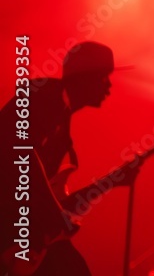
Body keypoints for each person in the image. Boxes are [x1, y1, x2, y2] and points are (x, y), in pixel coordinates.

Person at [1, 41, 123, 276]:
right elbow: (20, 151)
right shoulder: (44, 95)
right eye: (103, 77)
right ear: (84, 78)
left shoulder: (61, 118)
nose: (109, 85)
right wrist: (55, 213)